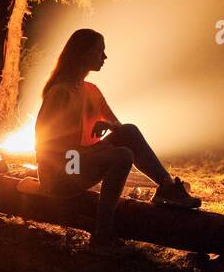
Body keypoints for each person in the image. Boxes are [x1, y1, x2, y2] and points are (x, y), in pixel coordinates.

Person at [34, 28, 200, 253]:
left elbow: (121, 129)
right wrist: (93, 153)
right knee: (122, 156)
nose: (104, 57)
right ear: (82, 54)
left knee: (129, 132)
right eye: (99, 51)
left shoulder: (90, 90)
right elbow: (47, 145)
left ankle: (167, 187)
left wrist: (109, 128)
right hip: (59, 174)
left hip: (80, 161)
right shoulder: (62, 93)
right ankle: (102, 235)